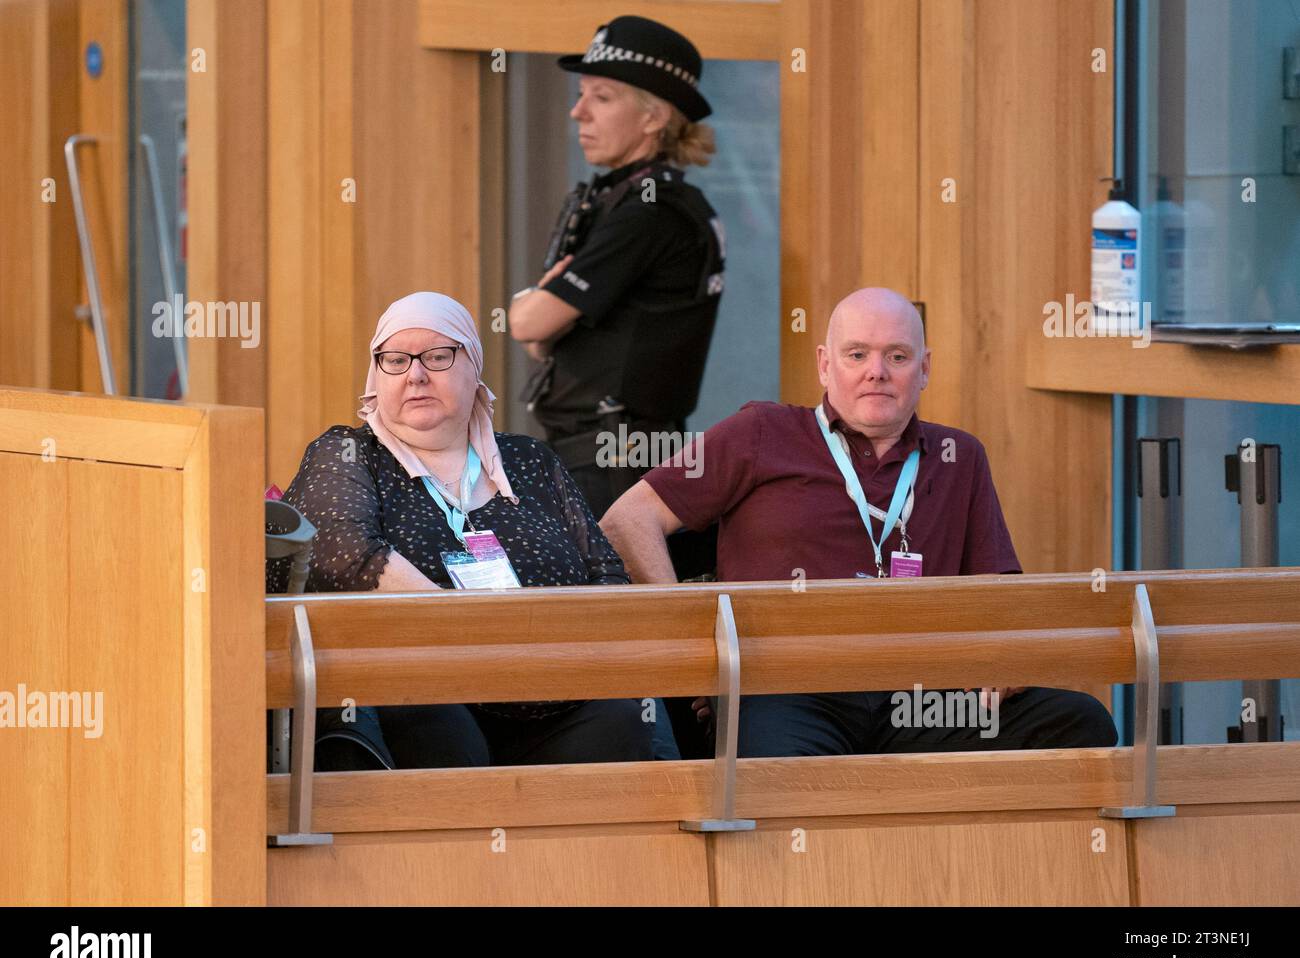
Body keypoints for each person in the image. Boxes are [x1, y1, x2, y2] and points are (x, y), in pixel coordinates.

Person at [599, 287, 1118, 757]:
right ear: (826, 366)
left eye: (897, 356)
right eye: (857, 355)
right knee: (776, 781)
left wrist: (1004, 654)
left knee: (1078, 721)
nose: (877, 371)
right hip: (790, 690)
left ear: (925, 368)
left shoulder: (959, 455)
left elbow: (997, 591)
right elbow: (628, 520)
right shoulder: (762, 431)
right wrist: (696, 654)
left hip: (922, 699)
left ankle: (966, 862)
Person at [268, 291, 674, 770]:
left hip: (549, 697)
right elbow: (342, 553)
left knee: (618, 723)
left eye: (438, 356)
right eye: (395, 360)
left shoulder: (529, 461)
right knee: (439, 724)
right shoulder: (350, 453)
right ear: (378, 374)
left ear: (473, 366)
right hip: (420, 690)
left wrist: (562, 660)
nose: (415, 374)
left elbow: (606, 574)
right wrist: (472, 634)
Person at [508, 14, 725, 520]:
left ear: (653, 117)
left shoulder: (650, 211)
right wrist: (539, 315)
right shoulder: (632, 200)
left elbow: (529, 324)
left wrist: (532, 302)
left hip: (614, 461)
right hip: (602, 456)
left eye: (602, 97)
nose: (577, 112)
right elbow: (541, 343)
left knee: (603, 600)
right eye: (582, 93)